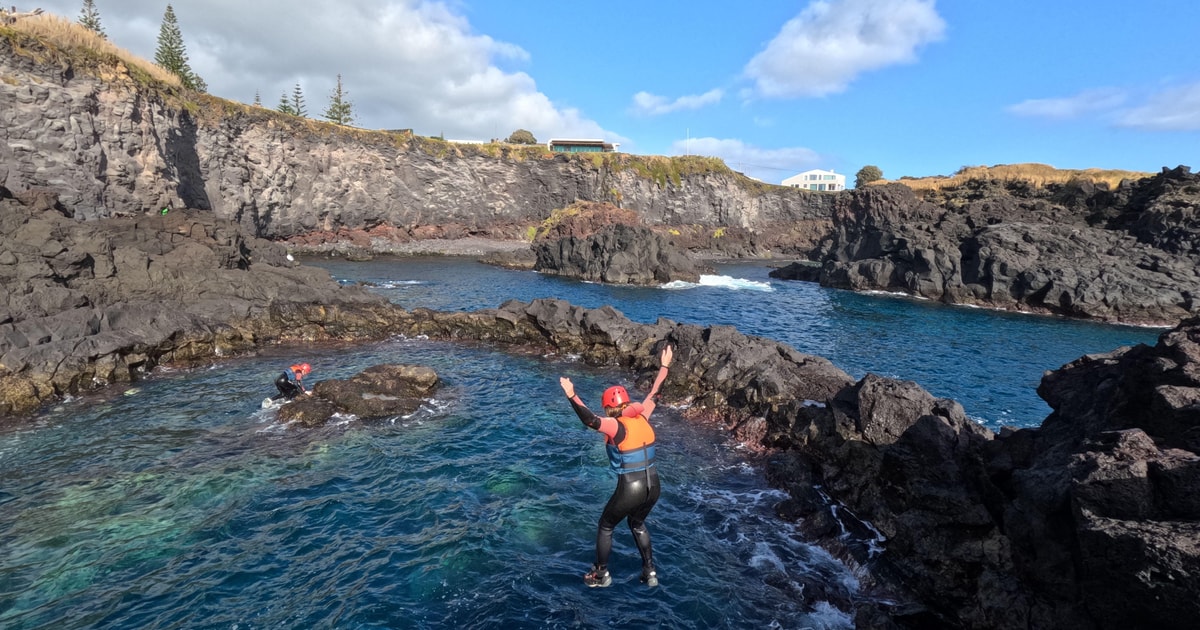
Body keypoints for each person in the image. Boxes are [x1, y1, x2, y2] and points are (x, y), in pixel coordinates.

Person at [559, 344, 673, 588]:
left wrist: (571, 395)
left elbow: (590, 420)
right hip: (654, 486)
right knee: (637, 523)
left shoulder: (616, 425)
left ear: (610, 408)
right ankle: (650, 571)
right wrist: (664, 366)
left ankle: (600, 574)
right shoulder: (643, 415)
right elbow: (656, 392)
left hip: (631, 487)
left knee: (606, 525)